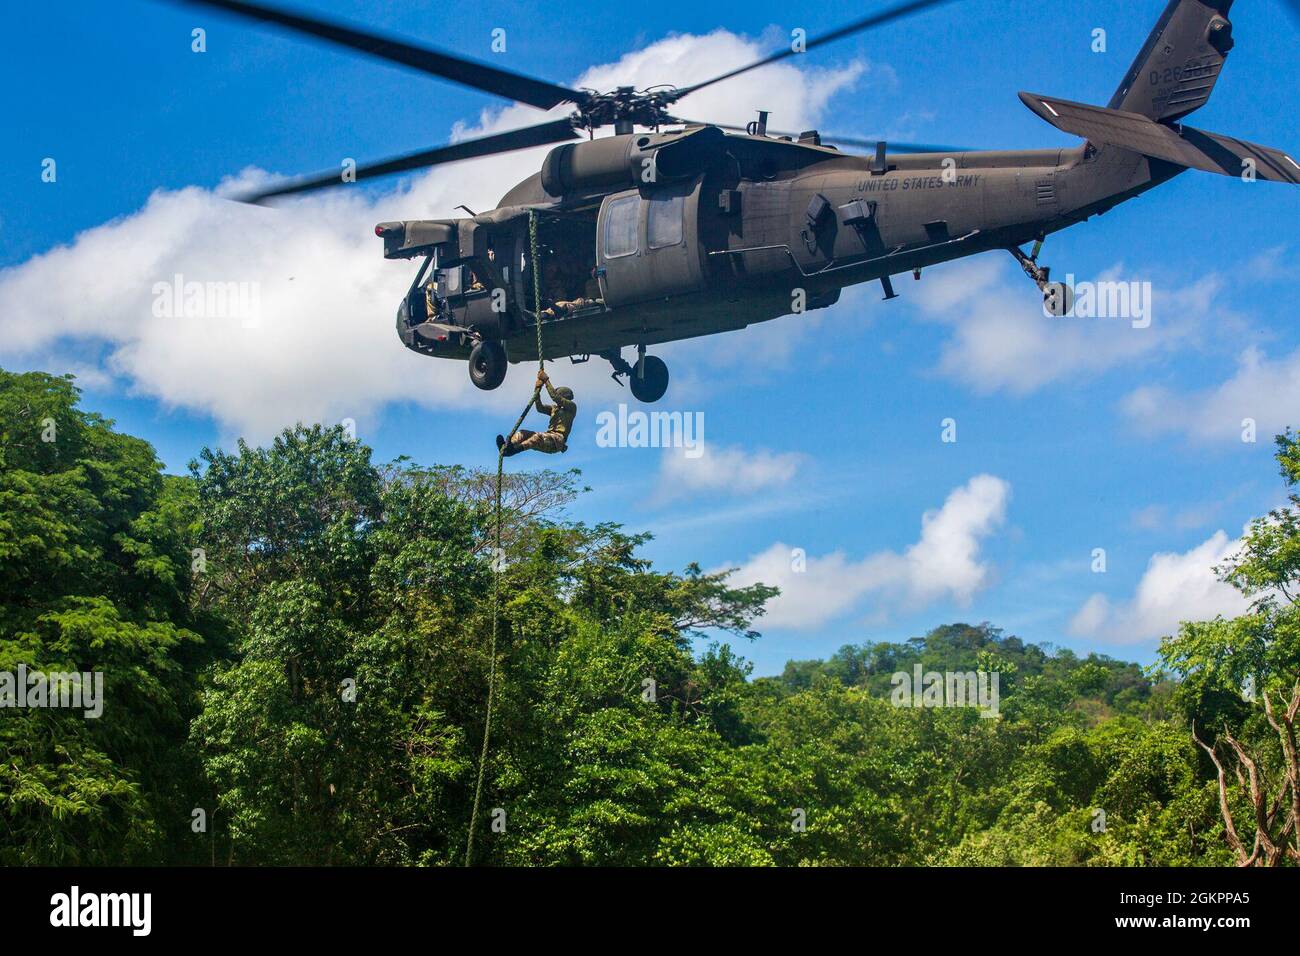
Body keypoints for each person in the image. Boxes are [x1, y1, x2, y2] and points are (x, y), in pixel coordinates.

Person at [497, 369, 576, 457]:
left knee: (536, 437)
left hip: (557, 441)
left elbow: (555, 397)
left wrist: (546, 381)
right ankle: (507, 446)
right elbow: (540, 408)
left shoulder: (571, 407)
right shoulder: (555, 408)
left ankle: (514, 451)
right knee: (523, 433)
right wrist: (537, 391)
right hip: (549, 436)